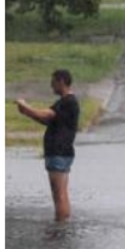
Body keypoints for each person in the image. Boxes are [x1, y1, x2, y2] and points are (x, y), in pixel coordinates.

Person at [16, 69, 79, 222]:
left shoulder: (67, 102)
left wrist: (24, 105)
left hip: (58, 152)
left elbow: (45, 114)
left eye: (53, 82)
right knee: (62, 193)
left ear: (61, 81)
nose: (51, 86)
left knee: (58, 194)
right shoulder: (67, 102)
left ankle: (60, 225)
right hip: (63, 152)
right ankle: (63, 222)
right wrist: (26, 112)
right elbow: (47, 120)